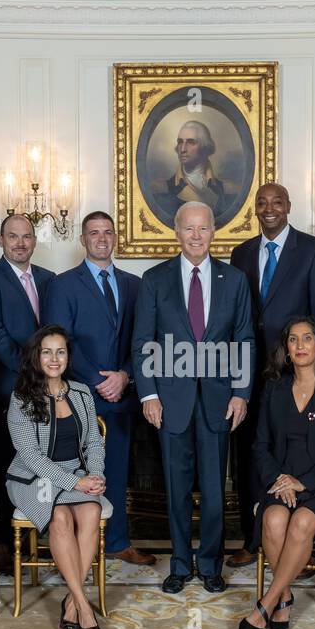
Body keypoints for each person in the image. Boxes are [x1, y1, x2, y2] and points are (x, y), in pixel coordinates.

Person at [132, 201, 254, 594]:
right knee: (176, 488)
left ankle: (211, 565)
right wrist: (149, 393)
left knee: (216, 491)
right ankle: (181, 564)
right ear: (177, 231)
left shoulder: (233, 279)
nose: (196, 235)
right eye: (189, 228)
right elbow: (143, 342)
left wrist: (241, 393)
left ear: (214, 231)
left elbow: (245, 341)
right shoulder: (154, 279)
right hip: (170, 401)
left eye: (203, 228)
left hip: (219, 401)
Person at [227, 183, 315, 568]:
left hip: (295, 377)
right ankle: (251, 537)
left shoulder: (313, 251)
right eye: (262, 202)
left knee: (295, 451)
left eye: (276, 202)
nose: (269, 208)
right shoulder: (240, 253)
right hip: (248, 375)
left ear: (289, 206)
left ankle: (297, 539)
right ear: (253, 209)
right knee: (248, 456)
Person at [44, 211, 154, 567]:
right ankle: (78, 542)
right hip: (78, 397)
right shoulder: (62, 285)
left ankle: (118, 541)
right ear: (83, 239)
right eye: (94, 233)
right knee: (80, 472)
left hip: (122, 396)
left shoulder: (135, 284)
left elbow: (143, 340)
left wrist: (124, 376)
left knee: (118, 470)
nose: (102, 238)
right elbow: (60, 341)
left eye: (108, 232)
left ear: (115, 238)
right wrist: (97, 379)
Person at [239, 317, 315, 629]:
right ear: (287, 349)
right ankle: (285, 595)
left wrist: (303, 482)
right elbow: (260, 444)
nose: (301, 345)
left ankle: (266, 602)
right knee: (274, 521)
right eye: (294, 340)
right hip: (280, 481)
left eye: (308, 339)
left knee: (302, 522)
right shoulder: (274, 389)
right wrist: (281, 479)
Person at [6, 326, 107, 629]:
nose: (54, 358)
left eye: (60, 351)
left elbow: (93, 440)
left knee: (90, 512)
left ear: (68, 356)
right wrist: (76, 485)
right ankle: (82, 604)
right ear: (36, 357)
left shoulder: (81, 392)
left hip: (76, 474)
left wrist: (96, 475)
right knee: (60, 517)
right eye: (46, 352)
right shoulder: (21, 398)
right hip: (33, 478)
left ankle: (71, 600)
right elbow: (33, 458)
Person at [0, 214, 54, 572]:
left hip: (42, 392)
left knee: (40, 462)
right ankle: (2, 542)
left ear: (35, 240)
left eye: (27, 237)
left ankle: (37, 530)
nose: (20, 243)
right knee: (4, 465)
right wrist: (38, 371)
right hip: (1, 390)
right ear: (0, 240)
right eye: (13, 237)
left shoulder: (49, 280)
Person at [151, 120, 236, 221]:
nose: (182, 149)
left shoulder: (227, 190)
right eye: (180, 142)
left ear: (205, 147)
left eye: (191, 142)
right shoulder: (161, 190)